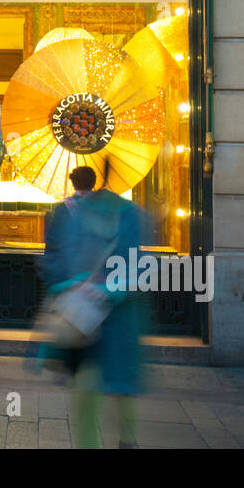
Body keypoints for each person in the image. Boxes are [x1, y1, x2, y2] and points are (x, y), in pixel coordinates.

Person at [39, 165, 145, 449]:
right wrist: (85, 286)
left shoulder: (71, 212)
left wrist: (78, 286)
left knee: (105, 387)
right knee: (100, 388)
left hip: (96, 319)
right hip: (92, 320)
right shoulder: (125, 213)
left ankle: (122, 441)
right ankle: (120, 442)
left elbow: (52, 259)